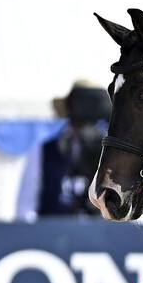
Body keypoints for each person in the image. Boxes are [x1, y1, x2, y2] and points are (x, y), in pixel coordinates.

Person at [37, 81, 112, 217]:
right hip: (54, 231)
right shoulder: (47, 150)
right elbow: (26, 207)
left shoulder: (112, 156)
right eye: (77, 121)